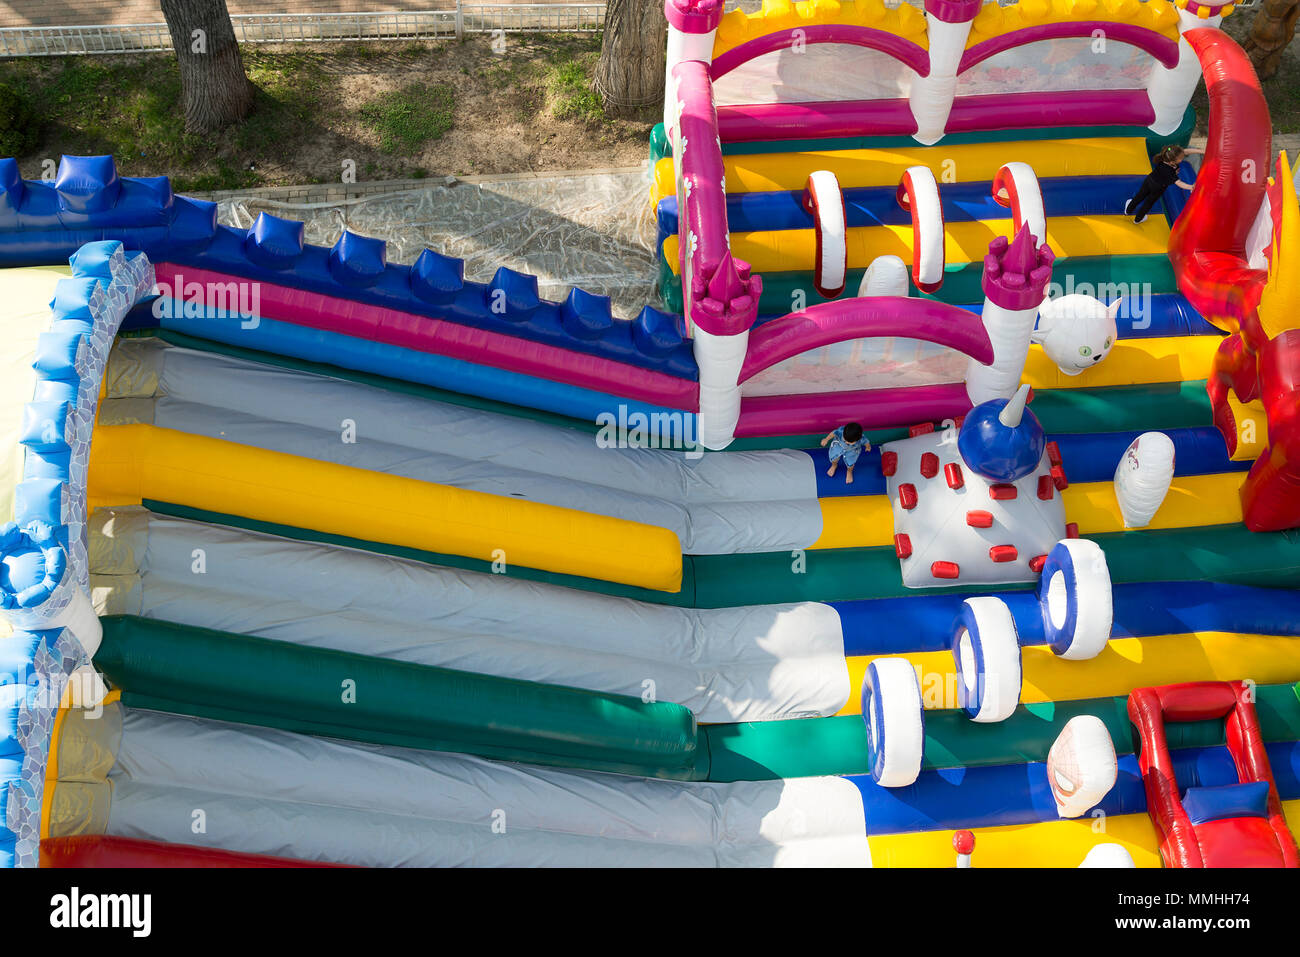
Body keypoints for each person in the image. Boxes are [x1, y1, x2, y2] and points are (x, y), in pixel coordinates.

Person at [1124, 145, 1203, 225]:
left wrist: (1201, 151)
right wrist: (1191, 187)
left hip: (1149, 181)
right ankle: (1137, 220)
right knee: (1149, 203)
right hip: (1158, 188)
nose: (1182, 159)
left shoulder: (1166, 156)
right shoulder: (1169, 172)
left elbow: (1185, 151)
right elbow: (1179, 183)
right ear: (1172, 162)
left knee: (1140, 196)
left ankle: (1128, 210)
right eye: (1181, 159)